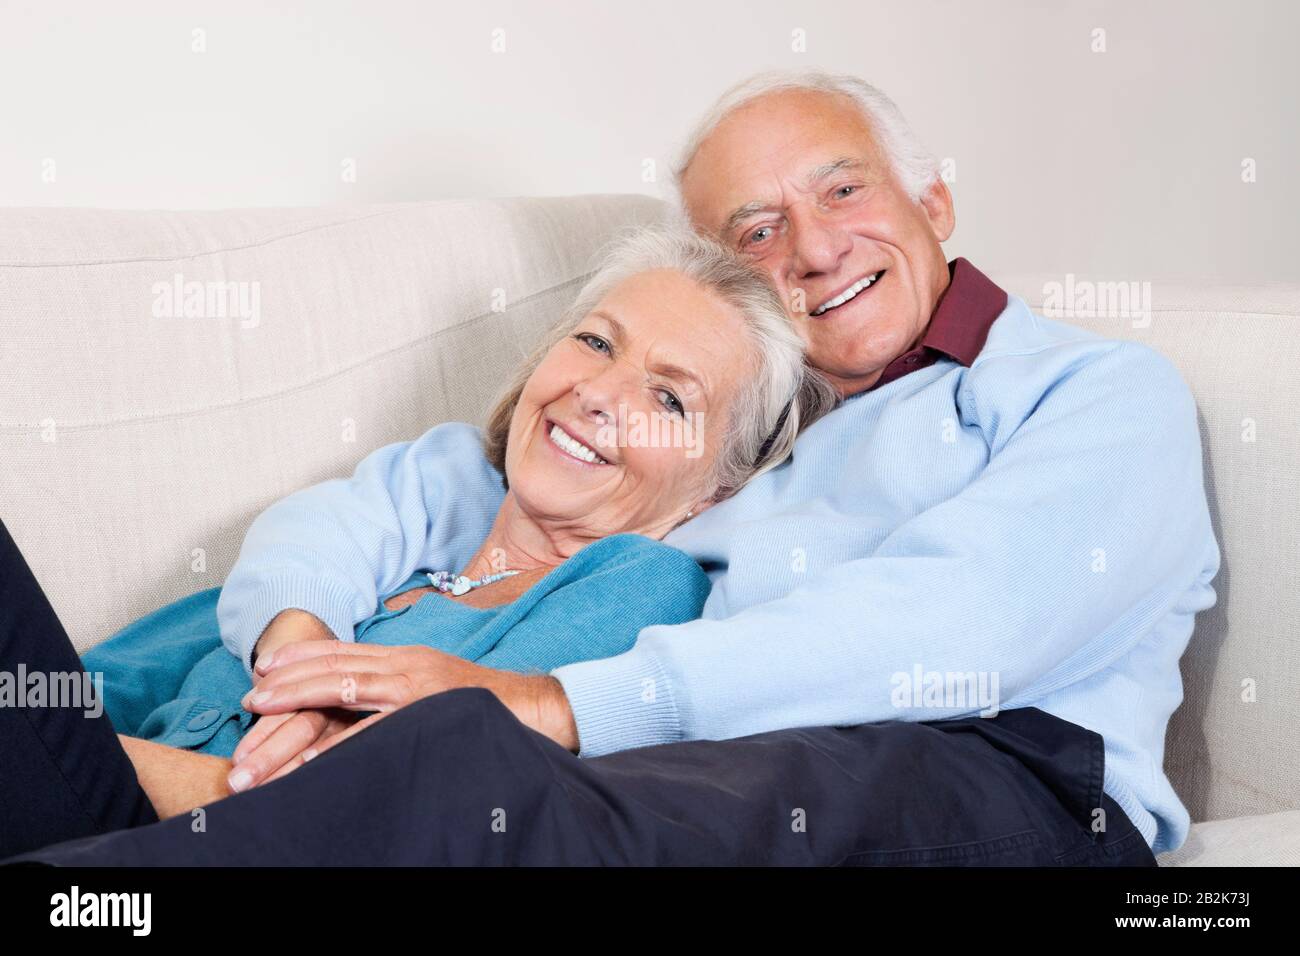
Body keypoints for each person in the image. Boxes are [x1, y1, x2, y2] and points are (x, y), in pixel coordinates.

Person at [4, 70, 1216, 866]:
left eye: (840, 188)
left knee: (463, 759)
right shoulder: (750, 432)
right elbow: (412, 488)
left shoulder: (1090, 389)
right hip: (721, 754)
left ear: (934, 199)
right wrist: (299, 639)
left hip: (990, 758)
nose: (807, 244)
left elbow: (965, 622)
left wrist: (563, 703)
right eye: (752, 229)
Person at [0, 225, 836, 854]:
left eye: (669, 399)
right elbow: (79, 692)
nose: (597, 392)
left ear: (712, 489)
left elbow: (356, 813)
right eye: (594, 341)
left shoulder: (646, 586)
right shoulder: (372, 558)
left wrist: (106, 761)